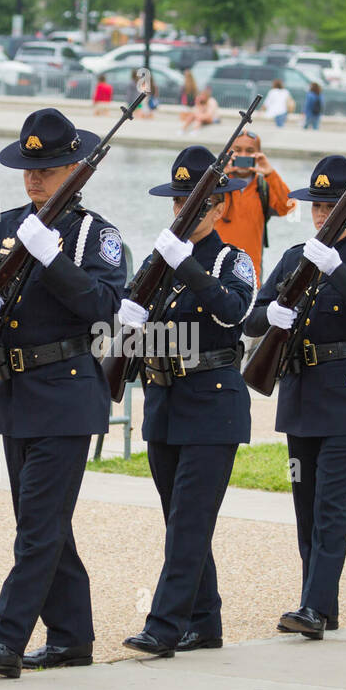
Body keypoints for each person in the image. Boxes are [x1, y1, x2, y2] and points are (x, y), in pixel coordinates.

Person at [0, 108, 126, 678]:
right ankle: (72, 638)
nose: (34, 178)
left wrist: (51, 258)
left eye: (48, 168)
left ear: (76, 169)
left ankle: (6, 639)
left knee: (38, 527)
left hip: (68, 393)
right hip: (16, 394)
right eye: (29, 167)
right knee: (46, 525)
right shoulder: (2, 226)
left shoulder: (94, 235)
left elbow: (106, 309)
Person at [245, 155, 346, 638]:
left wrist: (338, 272)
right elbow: (250, 319)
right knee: (306, 506)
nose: (321, 213)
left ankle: (312, 605)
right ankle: (320, 605)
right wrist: (272, 317)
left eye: (332, 205)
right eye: (316, 204)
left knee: (333, 507)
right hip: (300, 392)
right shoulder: (293, 257)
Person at [119, 146, 255, 656]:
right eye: (178, 202)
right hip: (165, 403)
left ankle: (164, 626)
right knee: (180, 519)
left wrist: (188, 267)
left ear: (219, 206)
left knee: (190, 521)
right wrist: (126, 332)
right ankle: (206, 620)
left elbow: (230, 315)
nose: (183, 211)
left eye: (194, 203)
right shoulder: (159, 262)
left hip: (212, 404)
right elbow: (144, 333)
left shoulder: (231, 259)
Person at [219, 130, 293, 284]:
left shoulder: (264, 186)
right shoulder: (217, 185)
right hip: (215, 271)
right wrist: (218, 176)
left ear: (259, 155)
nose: (244, 155)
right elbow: (194, 207)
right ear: (228, 153)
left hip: (250, 275)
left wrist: (270, 173)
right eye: (238, 150)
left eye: (250, 151)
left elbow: (289, 207)